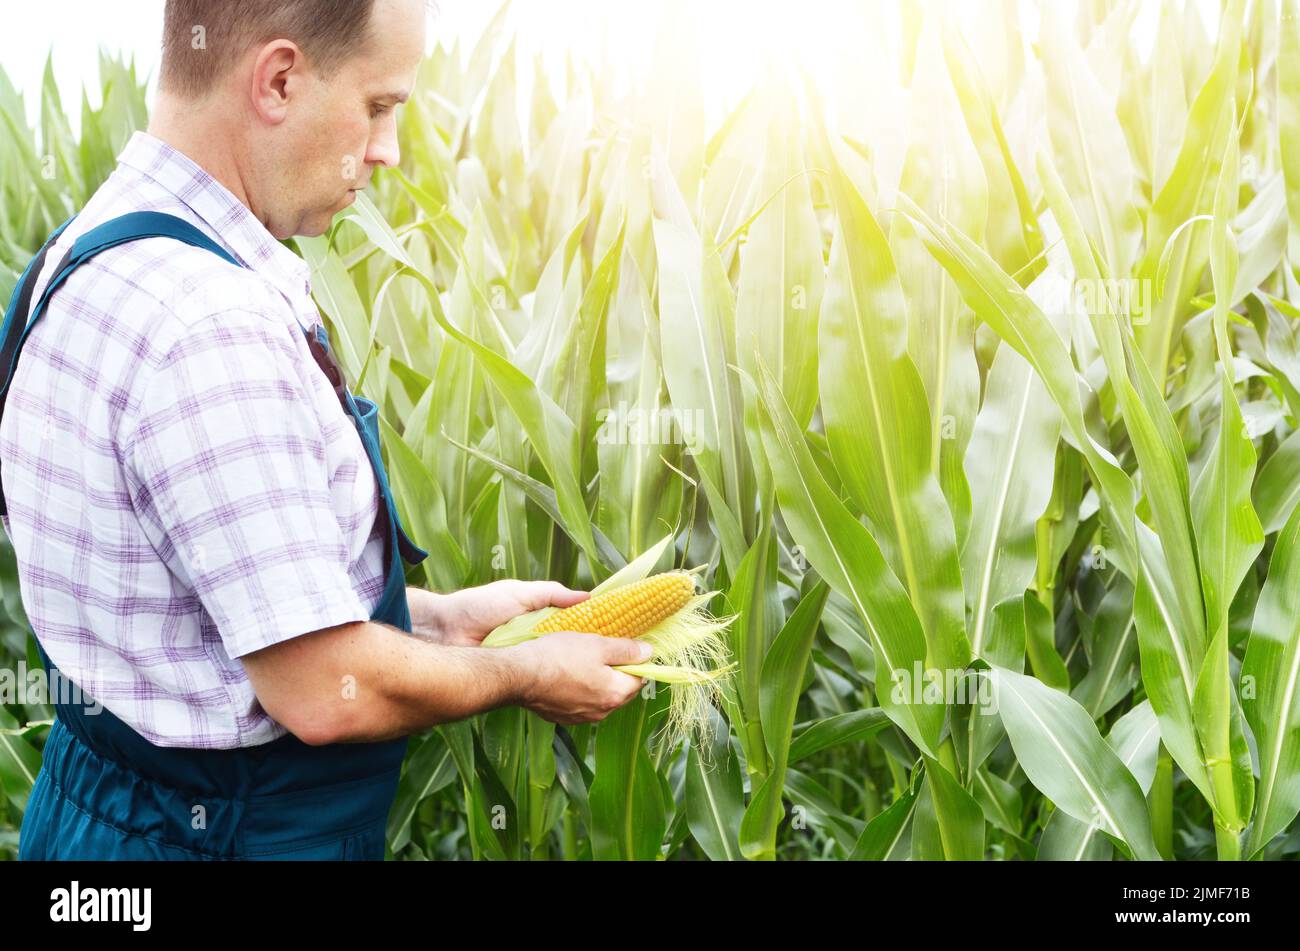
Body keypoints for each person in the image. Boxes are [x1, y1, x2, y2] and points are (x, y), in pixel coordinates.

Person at [2, 0, 649, 861]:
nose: (386, 150)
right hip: (220, 839)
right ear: (278, 79)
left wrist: (448, 621)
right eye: (379, 106)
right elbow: (322, 691)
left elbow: (216, 606)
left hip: (94, 816)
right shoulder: (211, 327)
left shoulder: (77, 257)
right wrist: (526, 673)